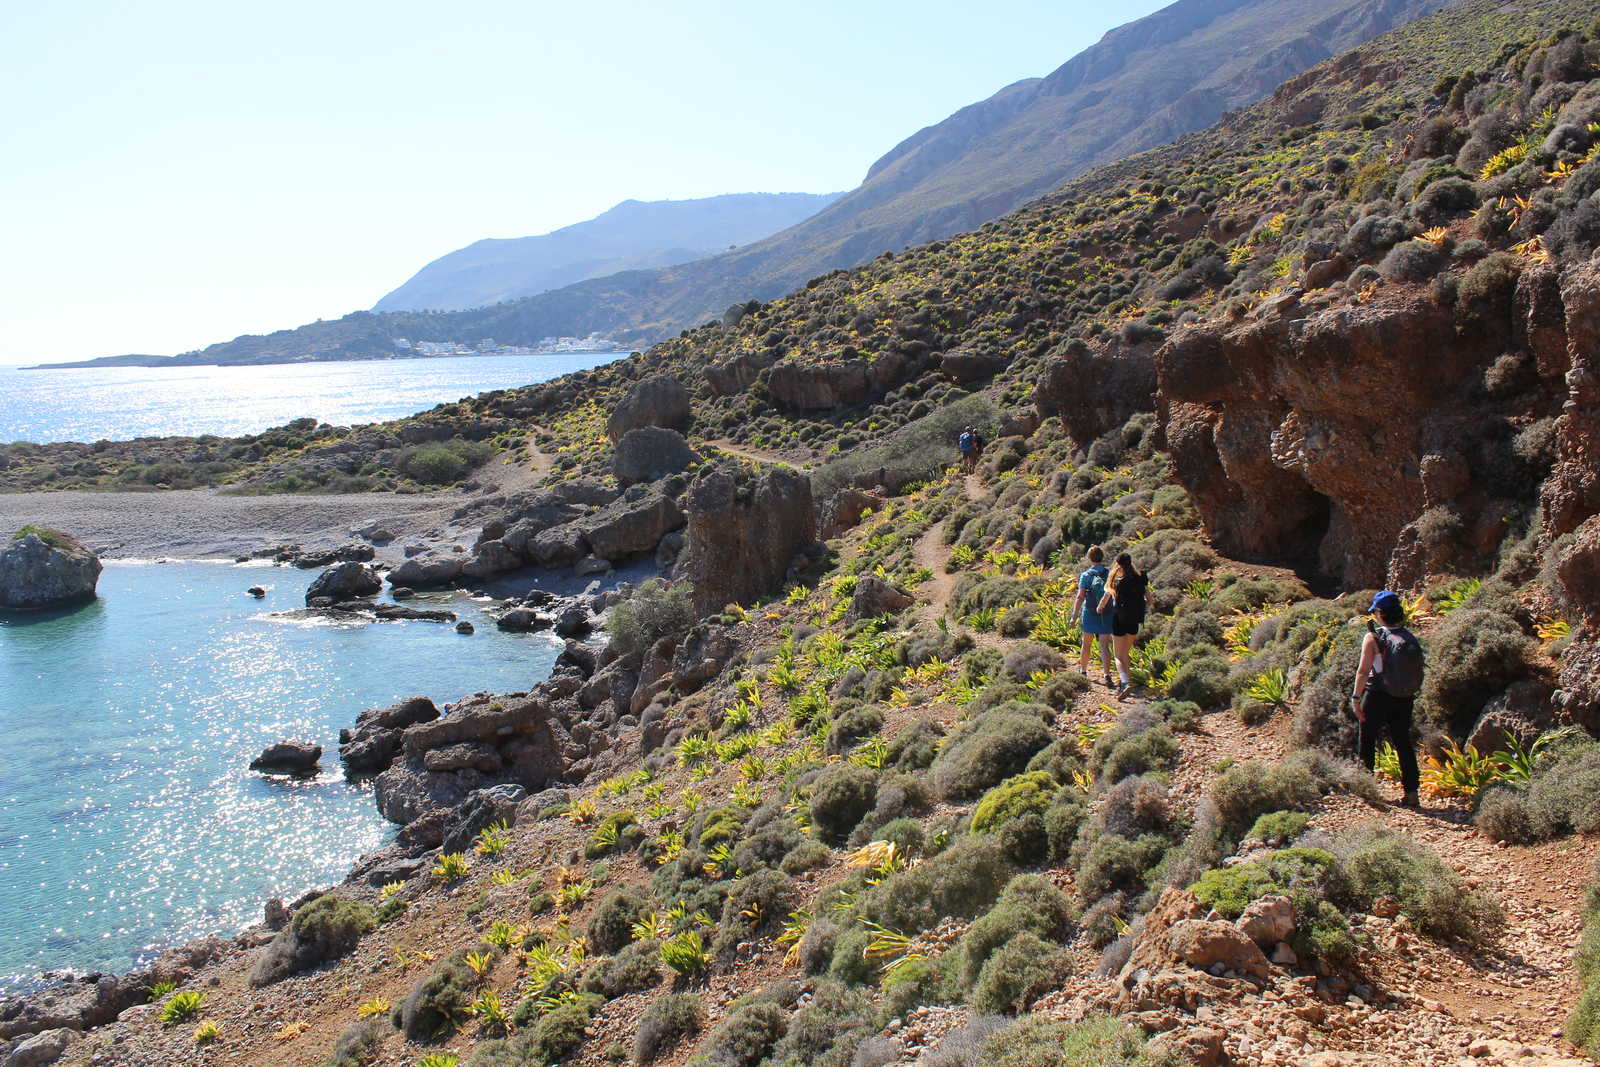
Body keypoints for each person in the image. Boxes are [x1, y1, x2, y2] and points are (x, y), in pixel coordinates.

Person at [1352, 590, 1425, 809]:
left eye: (1375, 611)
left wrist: (1356, 697)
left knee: (1367, 739)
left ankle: (1367, 789)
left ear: (1380, 614)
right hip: (1403, 697)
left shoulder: (1373, 637)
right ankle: (1412, 792)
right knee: (1403, 742)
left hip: (1376, 695)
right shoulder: (1408, 637)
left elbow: (1363, 671)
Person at [1098, 552, 1149, 699]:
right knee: (1126, 652)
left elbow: (1107, 595)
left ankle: (1125, 683)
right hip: (1134, 620)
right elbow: (1150, 599)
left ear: (1118, 564)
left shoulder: (1116, 579)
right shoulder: (1140, 578)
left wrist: (1100, 607)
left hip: (1119, 619)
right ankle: (1124, 684)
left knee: (1118, 656)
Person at [1073, 546, 1115, 686]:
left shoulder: (1086, 575)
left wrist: (1074, 616)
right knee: (1104, 645)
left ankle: (1083, 671)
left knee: (1086, 644)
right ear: (1102, 557)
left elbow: (1080, 597)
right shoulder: (1109, 574)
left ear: (1089, 558)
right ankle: (1107, 674)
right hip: (1106, 612)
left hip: (1089, 613)